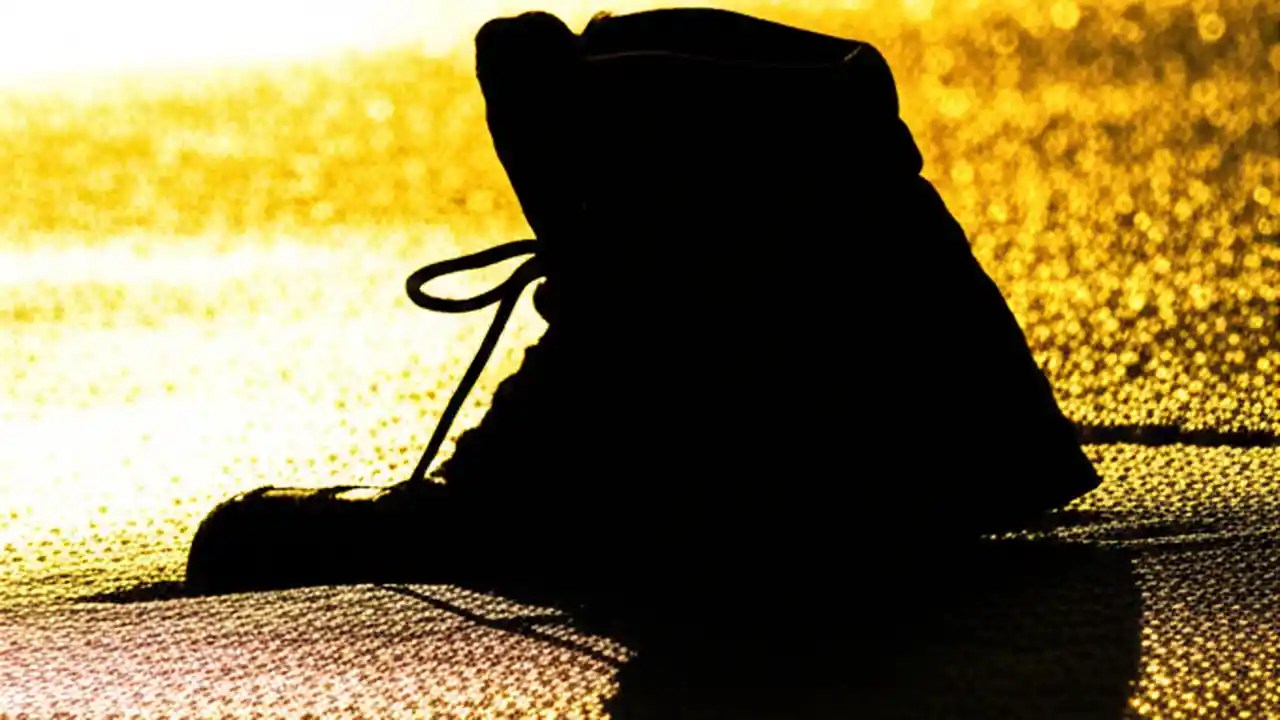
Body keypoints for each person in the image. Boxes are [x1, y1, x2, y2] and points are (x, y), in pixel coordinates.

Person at [186, 9, 1100, 626]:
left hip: (733, 432)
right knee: (594, 67)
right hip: (929, 398)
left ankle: (683, 444)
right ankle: (939, 443)